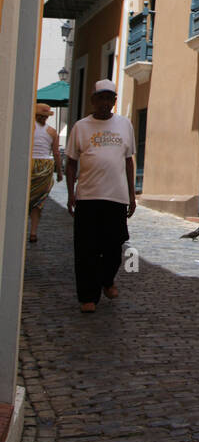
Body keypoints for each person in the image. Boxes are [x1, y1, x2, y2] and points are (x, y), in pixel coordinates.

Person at [65, 80, 136, 314]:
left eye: (110, 98)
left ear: (114, 101)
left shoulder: (125, 125)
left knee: (115, 246)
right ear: (93, 100)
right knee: (86, 249)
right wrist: (70, 193)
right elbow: (72, 163)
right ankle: (88, 296)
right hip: (88, 196)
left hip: (116, 197)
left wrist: (132, 195)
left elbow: (128, 161)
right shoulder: (81, 127)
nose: (105, 103)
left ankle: (107, 279)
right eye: (101, 98)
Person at [29, 103, 63, 242]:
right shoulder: (52, 131)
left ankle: (29, 230)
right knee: (39, 201)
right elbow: (56, 153)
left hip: (30, 165)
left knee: (27, 199)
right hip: (45, 166)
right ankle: (33, 232)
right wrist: (59, 172)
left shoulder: (29, 128)